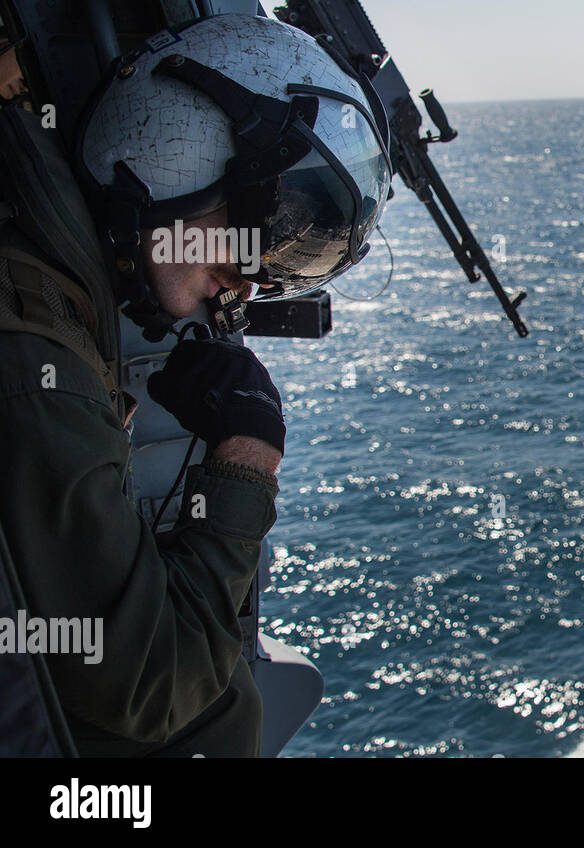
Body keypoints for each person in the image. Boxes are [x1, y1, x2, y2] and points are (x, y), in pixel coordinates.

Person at [0, 13, 390, 756]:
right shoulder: (32, 361)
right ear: (168, 150)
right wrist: (246, 459)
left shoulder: (38, 238)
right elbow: (152, 687)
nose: (247, 281)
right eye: (254, 231)